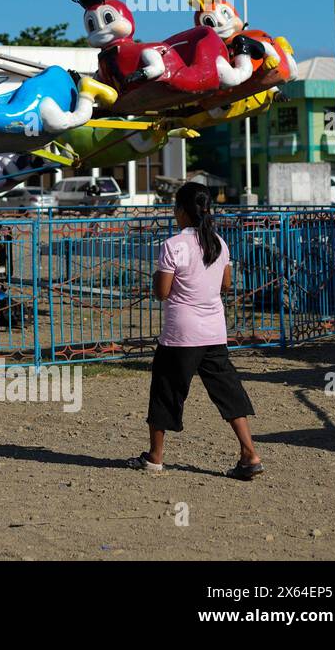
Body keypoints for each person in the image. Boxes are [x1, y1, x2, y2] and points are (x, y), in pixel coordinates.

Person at [129, 183, 263, 479]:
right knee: (227, 390)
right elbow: (226, 285)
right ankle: (249, 453)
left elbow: (162, 292)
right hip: (214, 331)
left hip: (181, 334)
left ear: (180, 211)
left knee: (166, 390)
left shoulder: (173, 245)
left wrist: (158, 278)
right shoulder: (219, 243)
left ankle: (155, 456)